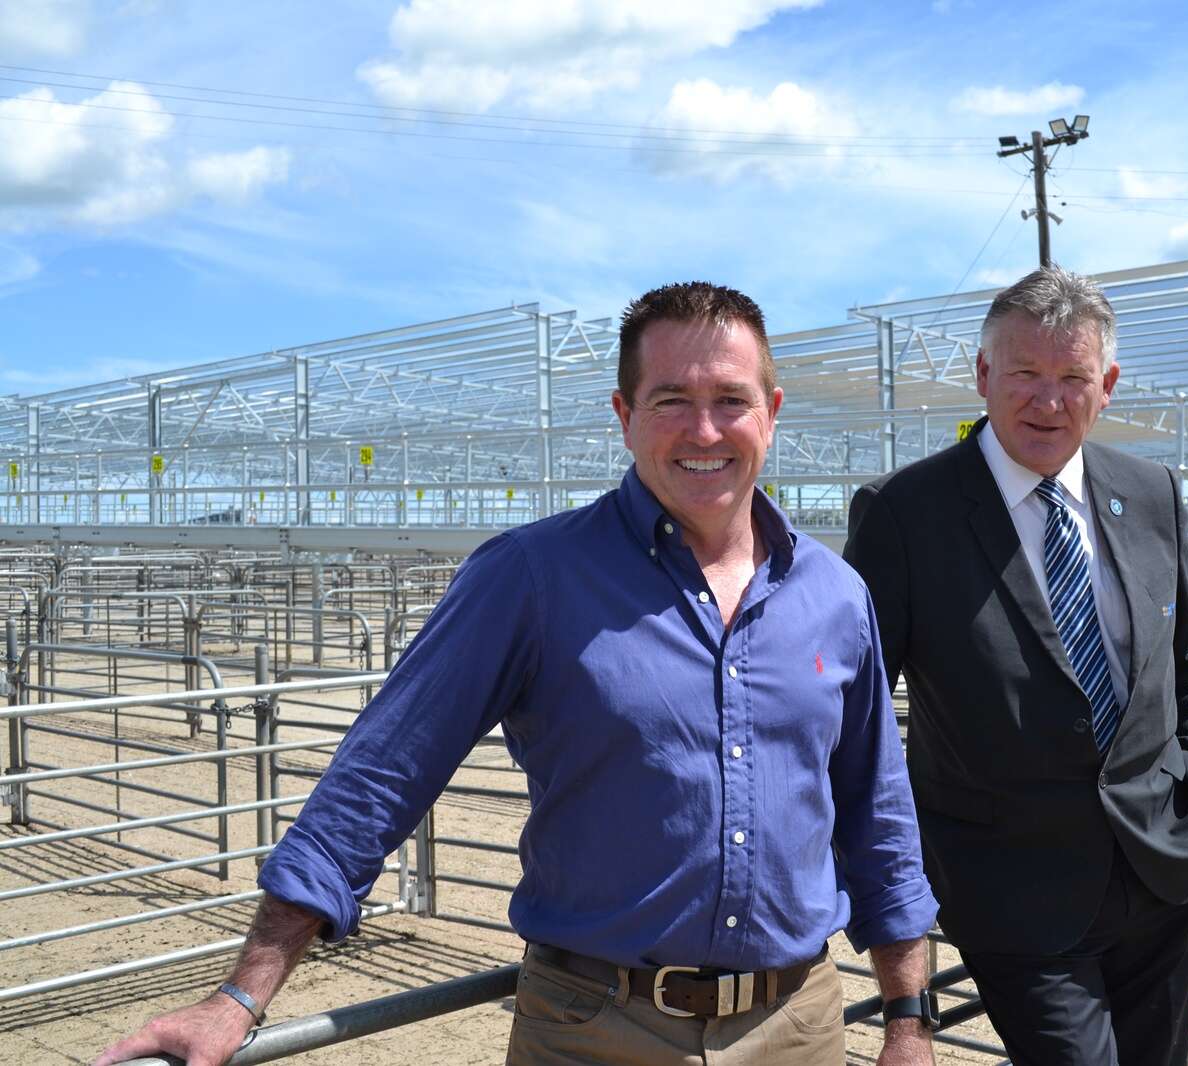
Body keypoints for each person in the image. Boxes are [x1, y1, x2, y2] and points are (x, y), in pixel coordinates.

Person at [97, 281, 939, 1066]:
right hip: (595, 1029)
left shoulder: (834, 594)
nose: (705, 431)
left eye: (731, 400)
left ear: (772, 413)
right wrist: (241, 995)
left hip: (797, 1026)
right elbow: (381, 774)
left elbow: (877, 811)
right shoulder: (532, 576)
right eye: (671, 400)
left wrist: (908, 1020)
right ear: (624, 415)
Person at [843, 266, 1188, 1065]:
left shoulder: (1150, 492)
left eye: (1072, 378)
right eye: (1023, 373)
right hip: (1011, 892)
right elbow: (858, 715)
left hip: (1162, 868)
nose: (1047, 401)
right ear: (983, 374)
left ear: (1107, 386)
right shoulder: (905, 514)